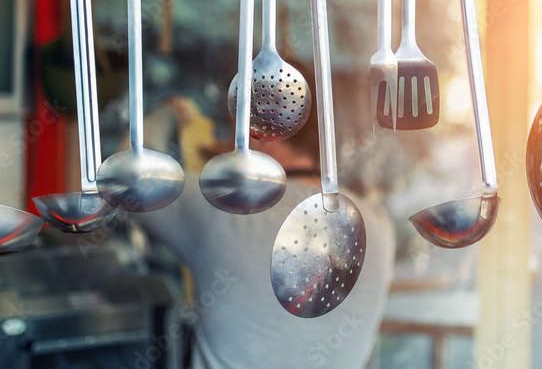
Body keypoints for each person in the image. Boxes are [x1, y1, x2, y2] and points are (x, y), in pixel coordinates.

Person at [125, 84, 396, 369]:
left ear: (261, 133)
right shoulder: (377, 223)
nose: (232, 142)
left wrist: (169, 112)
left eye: (237, 132)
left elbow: (128, 178)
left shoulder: (224, 207)